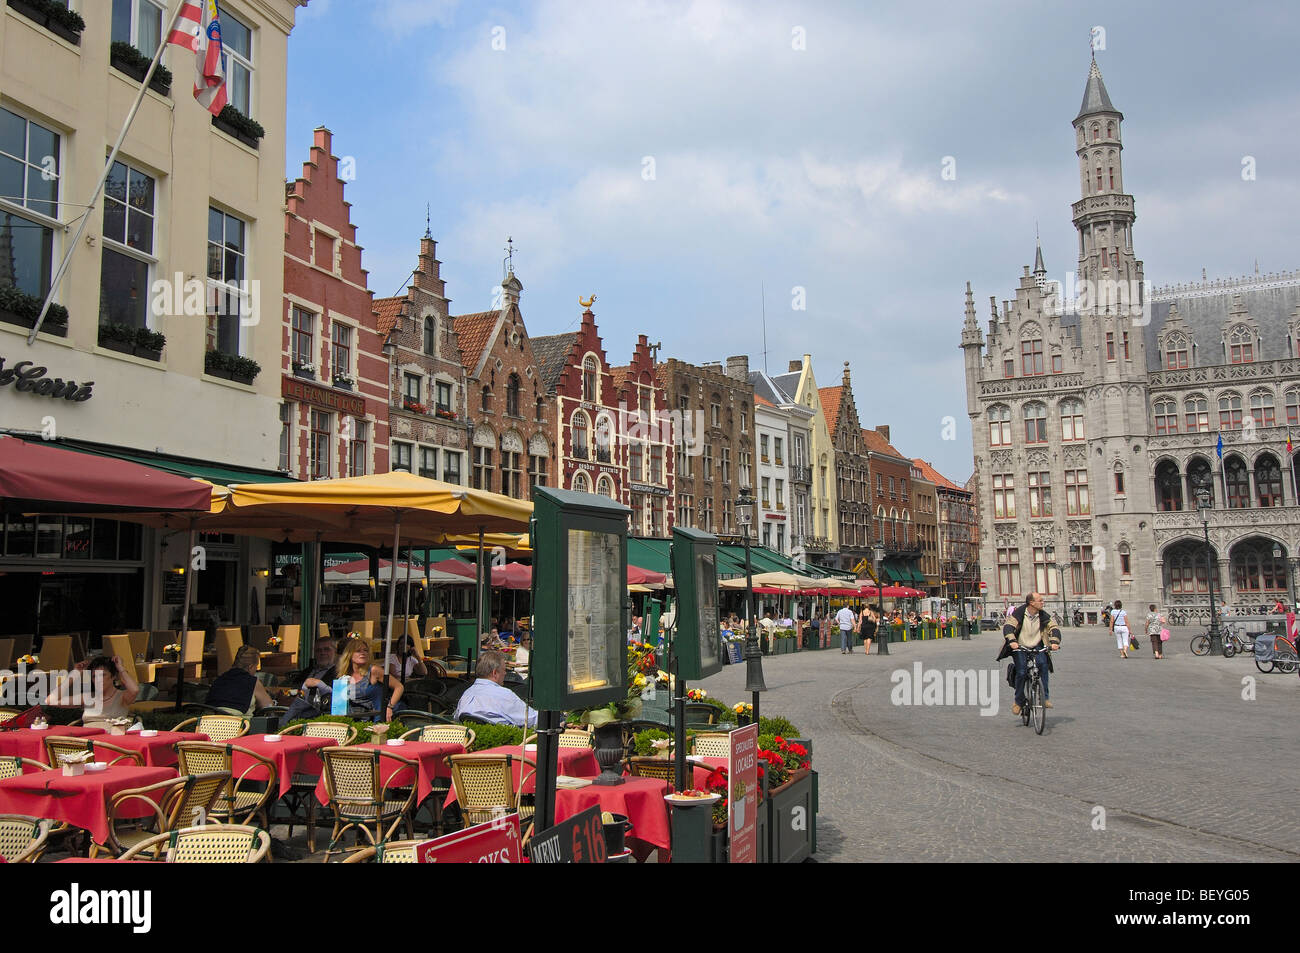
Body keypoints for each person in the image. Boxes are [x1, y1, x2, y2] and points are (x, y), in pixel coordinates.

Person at [1000, 592, 1061, 716]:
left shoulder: (1043, 615)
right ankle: (1018, 701)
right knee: (1021, 671)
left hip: (1037, 645)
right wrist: (1012, 641)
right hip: (1020, 645)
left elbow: (1054, 627)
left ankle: (1045, 698)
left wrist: (1054, 642)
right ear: (1031, 603)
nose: (1043, 602)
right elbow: (1008, 626)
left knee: (1043, 665)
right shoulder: (1019, 614)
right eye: (1040, 600)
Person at [453, 650, 538, 727]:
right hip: (504, 741)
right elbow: (533, 719)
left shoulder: (467, 693)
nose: (505, 673)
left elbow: (456, 718)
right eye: (504, 670)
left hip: (471, 740)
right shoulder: (504, 695)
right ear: (495, 673)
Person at [325, 638, 404, 720]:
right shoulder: (344, 676)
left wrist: (389, 707)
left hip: (375, 718)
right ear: (349, 654)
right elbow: (340, 704)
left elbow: (399, 687)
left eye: (365, 650)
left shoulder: (374, 671)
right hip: (353, 719)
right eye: (358, 651)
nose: (363, 653)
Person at [47, 655, 139, 724]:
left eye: (102, 675)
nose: (98, 680)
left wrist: (120, 668)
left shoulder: (122, 697)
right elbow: (51, 700)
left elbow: (134, 690)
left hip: (112, 744)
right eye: (95, 676)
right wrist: (74, 674)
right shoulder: (87, 697)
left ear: (113, 676)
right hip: (87, 743)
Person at [279, 637, 342, 727]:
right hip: (295, 708)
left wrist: (319, 684)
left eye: (326, 649)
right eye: (318, 650)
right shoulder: (308, 671)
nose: (322, 653)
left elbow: (335, 695)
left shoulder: (338, 672)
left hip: (316, 713)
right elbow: (294, 686)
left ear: (335, 652)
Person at [205, 645, 274, 716]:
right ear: (250, 667)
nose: (256, 670)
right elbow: (268, 706)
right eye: (256, 667)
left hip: (209, 722)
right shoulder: (252, 682)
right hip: (237, 724)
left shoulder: (219, 679)